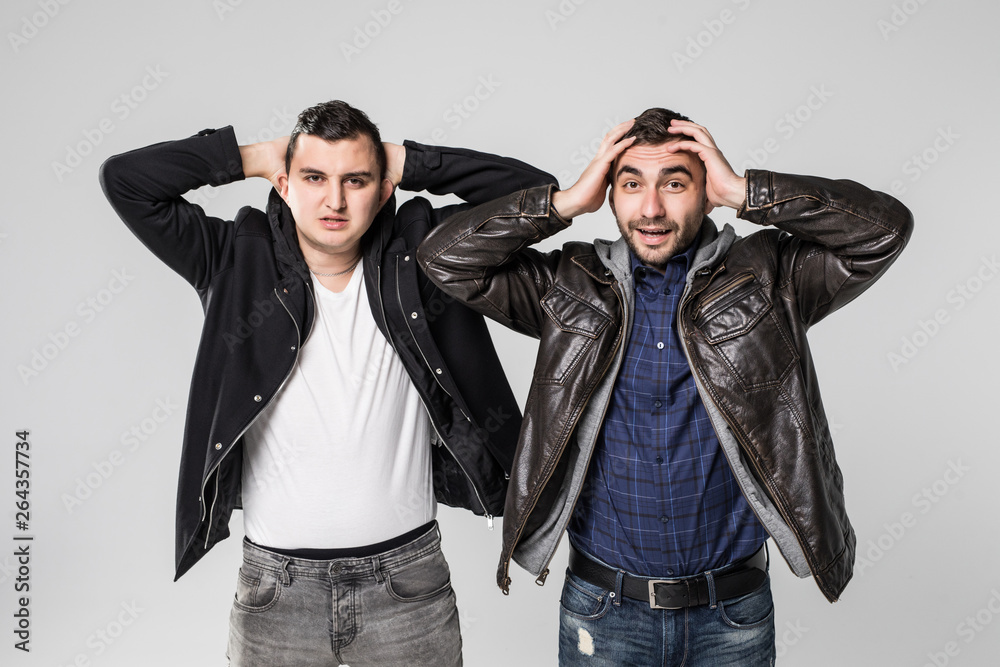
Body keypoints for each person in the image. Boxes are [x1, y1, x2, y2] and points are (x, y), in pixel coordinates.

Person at [417, 108, 913, 665]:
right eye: (631, 184)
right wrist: (565, 203)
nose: (651, 208)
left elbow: (884, 230)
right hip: (603, 609)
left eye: (675, 183)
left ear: (707, 192)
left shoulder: (771, 281)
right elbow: (445, 258)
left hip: (732, 611)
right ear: (611, 193)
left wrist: (749, 192)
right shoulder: (570, 286)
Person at [100, 99, 554, 666]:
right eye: (314, 177)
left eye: (356, 179)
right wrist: (253, 157)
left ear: (383, 189)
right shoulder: (233, 258)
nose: (334, 200)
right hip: (275, 592)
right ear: (285, 184)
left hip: (407, 587)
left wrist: (411, 162)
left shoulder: (425, 255)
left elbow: (536, 195)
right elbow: (125, 182)